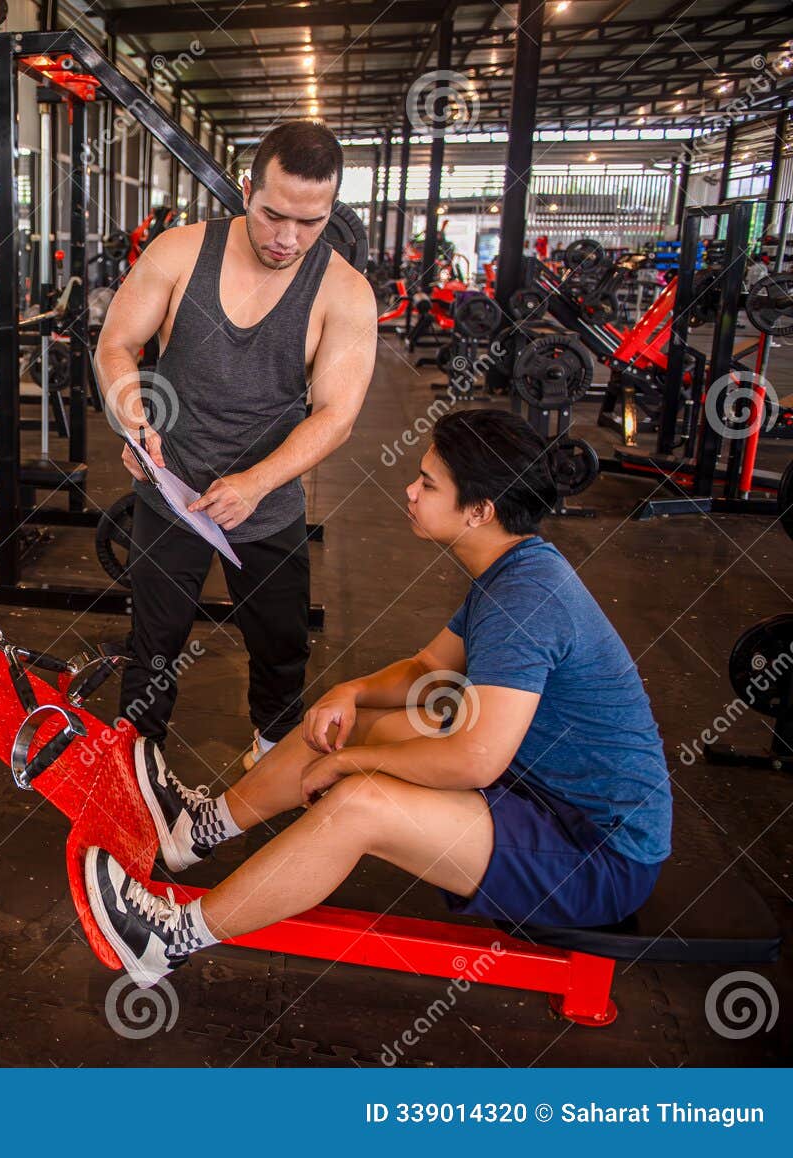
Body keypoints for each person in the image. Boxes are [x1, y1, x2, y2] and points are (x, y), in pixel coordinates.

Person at [84, 408, 673, 989]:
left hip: (595, 857)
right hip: (539, 796)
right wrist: (351, 692)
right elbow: (428, 669)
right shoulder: (515, 568)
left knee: (359, 802)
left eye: (428, 484)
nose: (410, 491)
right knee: (355, 722)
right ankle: (194, 834)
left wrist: (348, 764)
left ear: (480, 510)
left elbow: (477, 760)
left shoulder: (525, 598)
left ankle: (165, 941)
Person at [94, 120, 377, 772]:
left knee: (280, 642)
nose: (288, 238)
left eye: (310, 222)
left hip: (266, 503)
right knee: (154, 642)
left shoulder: (344, 291)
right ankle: (137, 766)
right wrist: (132, 419)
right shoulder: (179, 252)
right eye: (274, 214)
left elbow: (337, 414)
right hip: (171, 489)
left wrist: (256, 482)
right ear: (247, 190)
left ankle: (275, 748)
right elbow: (116, 344)